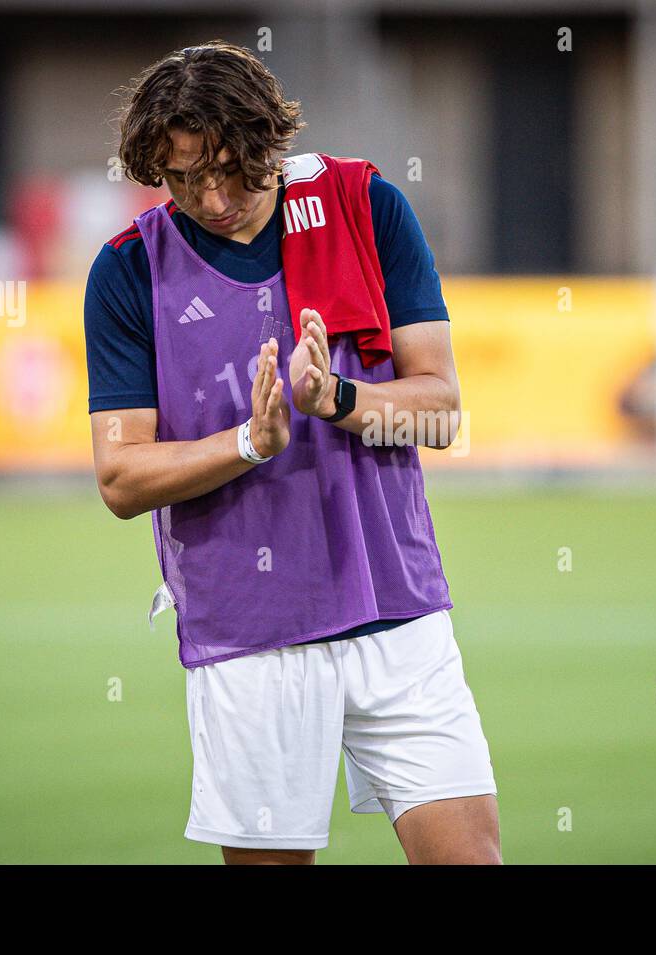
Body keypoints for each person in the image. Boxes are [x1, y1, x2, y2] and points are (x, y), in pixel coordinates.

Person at [82, 41, 499, 864]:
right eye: (182, 178)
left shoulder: (364, 206)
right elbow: (122, 477)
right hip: (249, 634)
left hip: (397, 610)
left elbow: (441, 410)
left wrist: (336, 401)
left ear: (269, 140)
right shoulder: (129, 271)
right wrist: (249, 442)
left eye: (230, 169)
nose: (211, 197)